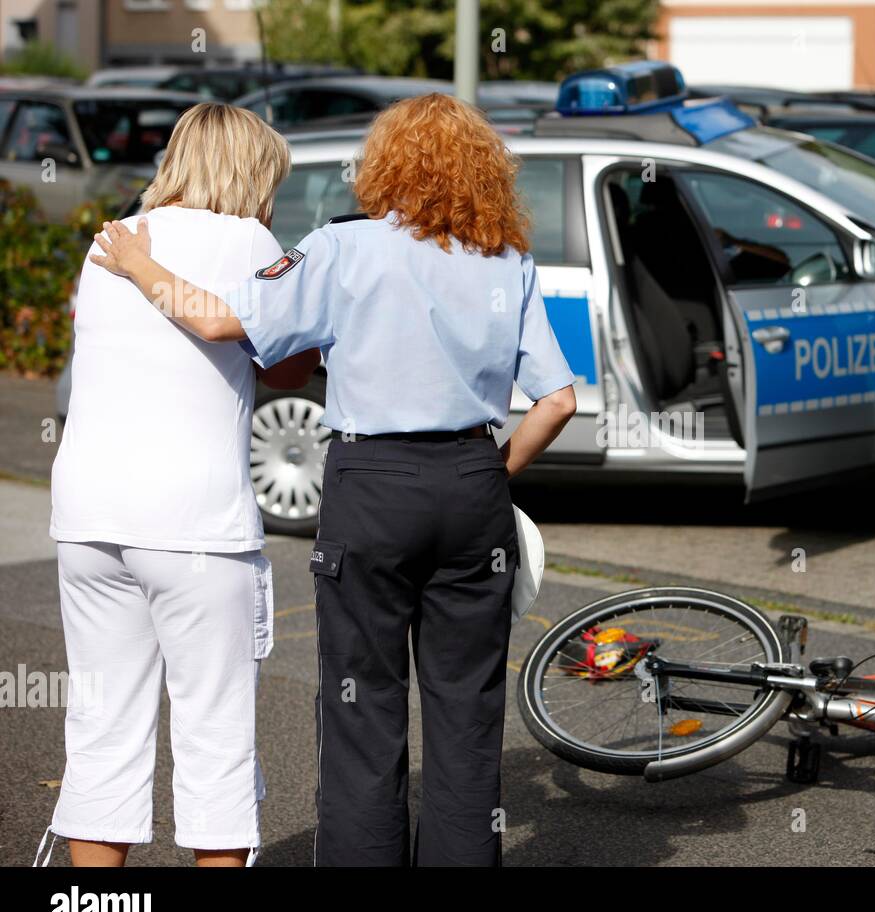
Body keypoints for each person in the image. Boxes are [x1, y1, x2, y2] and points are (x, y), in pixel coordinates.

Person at [89, 93, 578, 866]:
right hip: (471, 484)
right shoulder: (507, 263)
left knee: (363, 705)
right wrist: (495, 471)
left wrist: (139, 261)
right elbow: (558, 401)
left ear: (385, 164)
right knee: (466, 710)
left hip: (373, 487)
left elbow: (222, 323)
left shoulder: (343, 249)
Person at [36, 103, 320, 868]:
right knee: (215, 734)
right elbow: (286, 363)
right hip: (194, 526)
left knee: (101, 727)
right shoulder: (250, 242)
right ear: (252, 172)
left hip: (90, 519)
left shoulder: (115, 240)